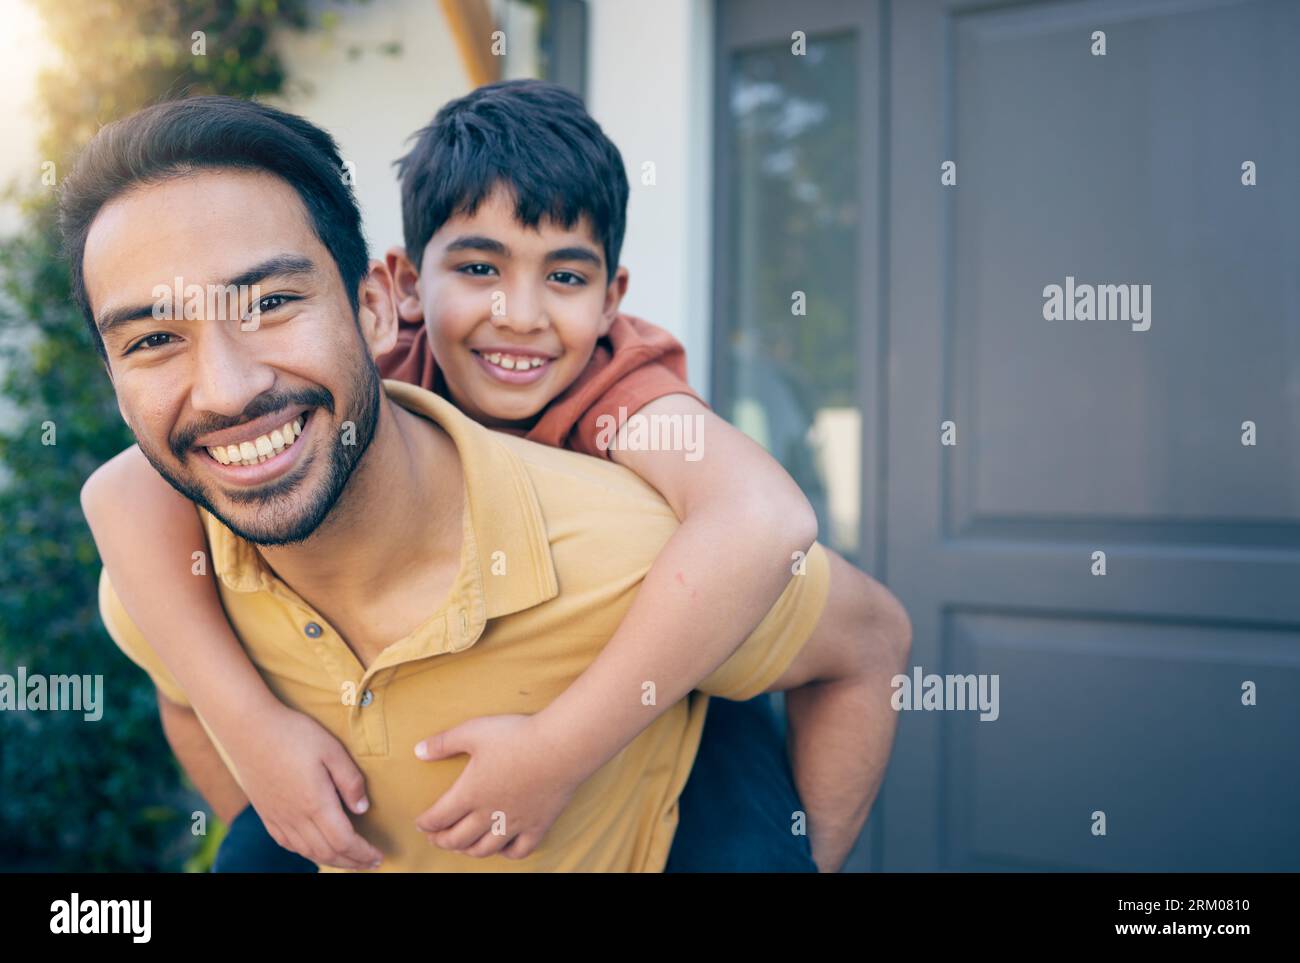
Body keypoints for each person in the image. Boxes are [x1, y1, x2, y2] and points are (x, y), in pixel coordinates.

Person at [69, 92, 911, 872]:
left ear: (613, 298)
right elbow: (118, 491)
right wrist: (250, 728)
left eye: (566, 277)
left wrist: (557, 751)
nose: (519, 313)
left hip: (686, 667)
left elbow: (762, 517)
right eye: (478, 269)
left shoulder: (622, 392)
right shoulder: (372, 365)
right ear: (398, 289)